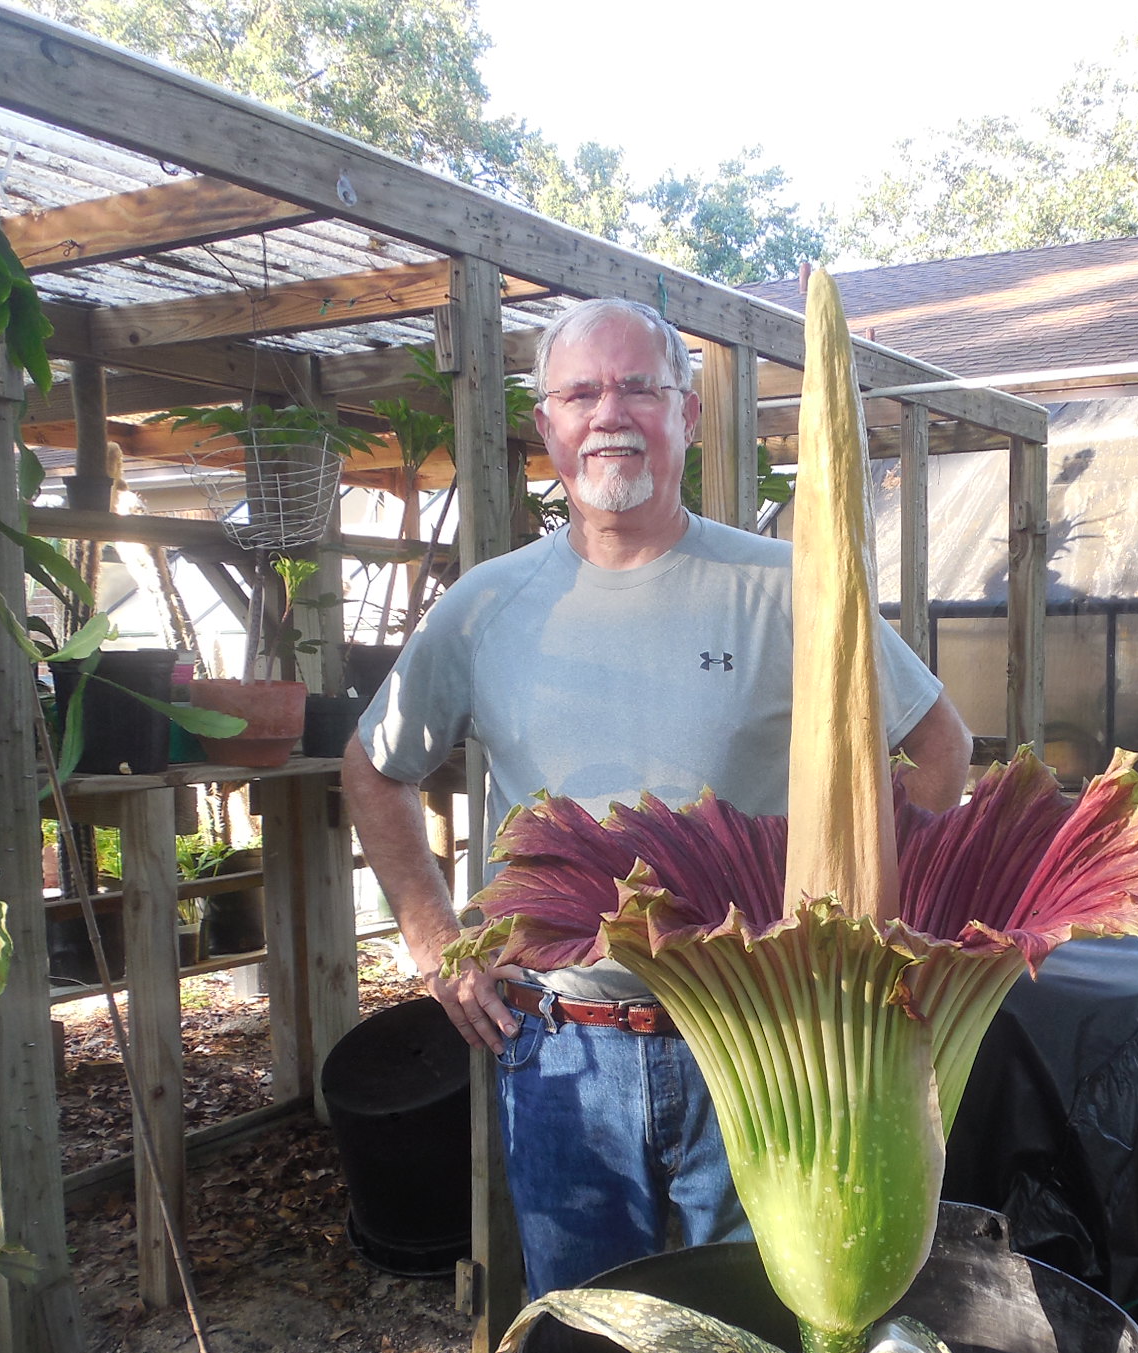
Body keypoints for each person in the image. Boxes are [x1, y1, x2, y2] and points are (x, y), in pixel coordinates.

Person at [342, 297, 972, 1296]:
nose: (610, 413)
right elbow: (374, 769)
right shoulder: (484, 608)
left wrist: (854, 945)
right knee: (591, 1340)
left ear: (687, 415)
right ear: (546, 425)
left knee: (765, 1330)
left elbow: (937, 748)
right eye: (580, 392)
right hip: (558, 1050)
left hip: (762, 1056)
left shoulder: (786, 588)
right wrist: (433, 946)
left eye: (639, 386)